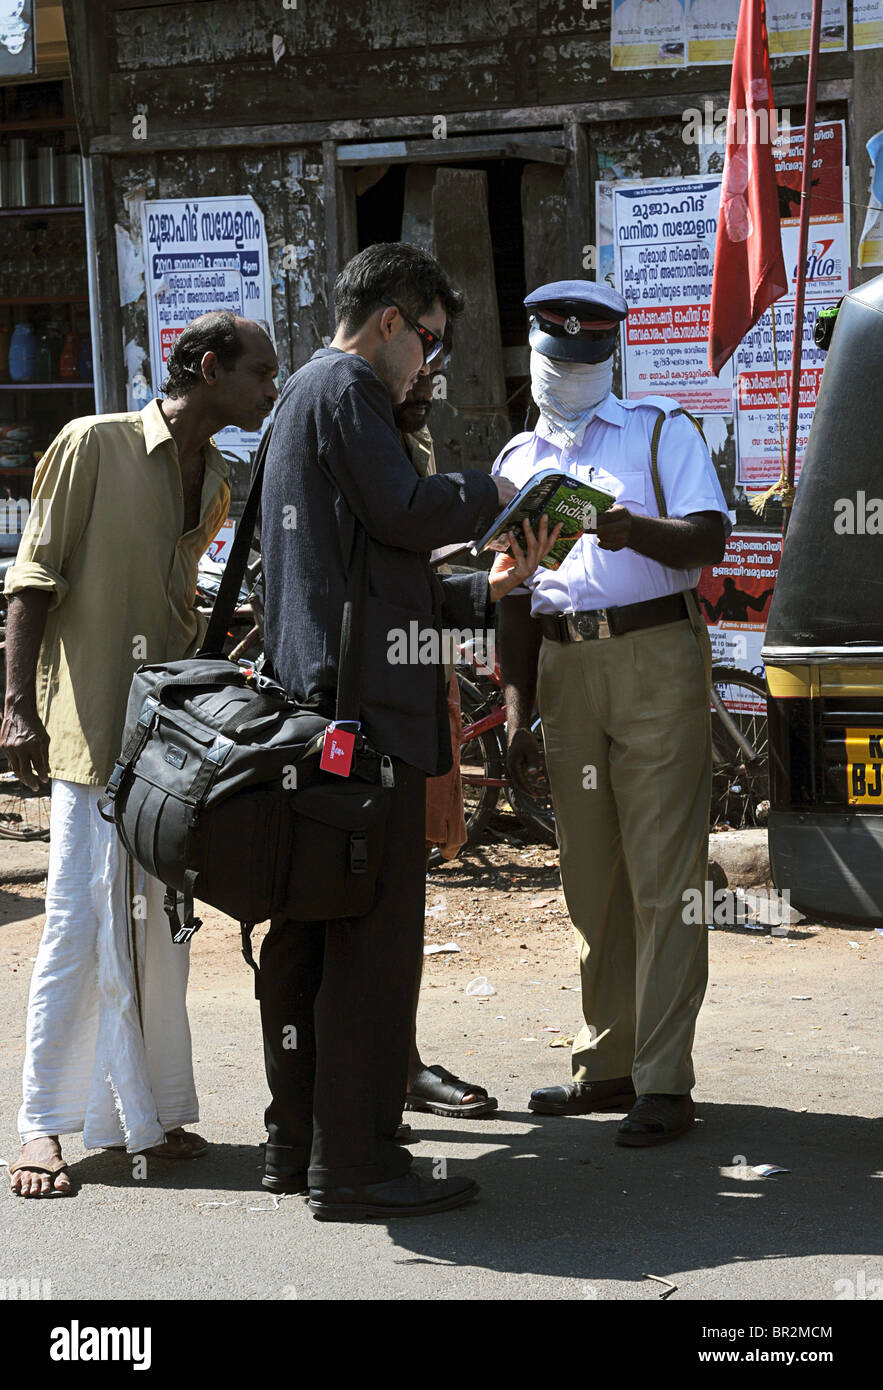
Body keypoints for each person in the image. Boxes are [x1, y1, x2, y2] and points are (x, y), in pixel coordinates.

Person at [257, 242, 521, 1221]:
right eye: (432, 342)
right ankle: (358, 1166)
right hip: (362, 728)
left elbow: (370, 574)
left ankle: (298, 1146)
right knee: (369, 957)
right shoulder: (347, 390)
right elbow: (404, 510)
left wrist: (478, 591)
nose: (431, 366)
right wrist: (494, 489)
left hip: (326, 713)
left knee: (309, 944)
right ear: (390, 324)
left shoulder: (302, 396)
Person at [2, 312, 279, 1195]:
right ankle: (42, 1125)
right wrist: (15, 708)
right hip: (88, 729)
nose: (271, 389)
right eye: (260, 373)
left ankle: (149, 1113)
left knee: (163, 932)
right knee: (80, 926)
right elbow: (32, 579)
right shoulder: (92, 443)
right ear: (207, 368)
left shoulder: (220, 480)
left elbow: (184, 603)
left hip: (173, 744)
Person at [496, 280, 730, 1147]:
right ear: (533, 354)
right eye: (556, 359)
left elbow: (709, 542)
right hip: (563, 665)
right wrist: (518, 708)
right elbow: (510, 597)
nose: (568, 374)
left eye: (585, 359)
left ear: (610, 358)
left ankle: (664, 1081)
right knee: (588, 874)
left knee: (664, 875)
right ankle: (607, 1064)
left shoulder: (660, 428)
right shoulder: (516, 460)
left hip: (654, 654)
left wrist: (628, 528)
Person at [393, 342, 559, 1123]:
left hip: (415, 698)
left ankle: (396, 1058)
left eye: (435, 367)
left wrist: (485, 585)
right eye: (417, 360)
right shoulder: (345, 436)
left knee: (400, 895)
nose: (429, 376)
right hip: (365, 712)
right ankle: (359, 1077)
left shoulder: (407, 443)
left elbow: (418, 588)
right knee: (357, 903)